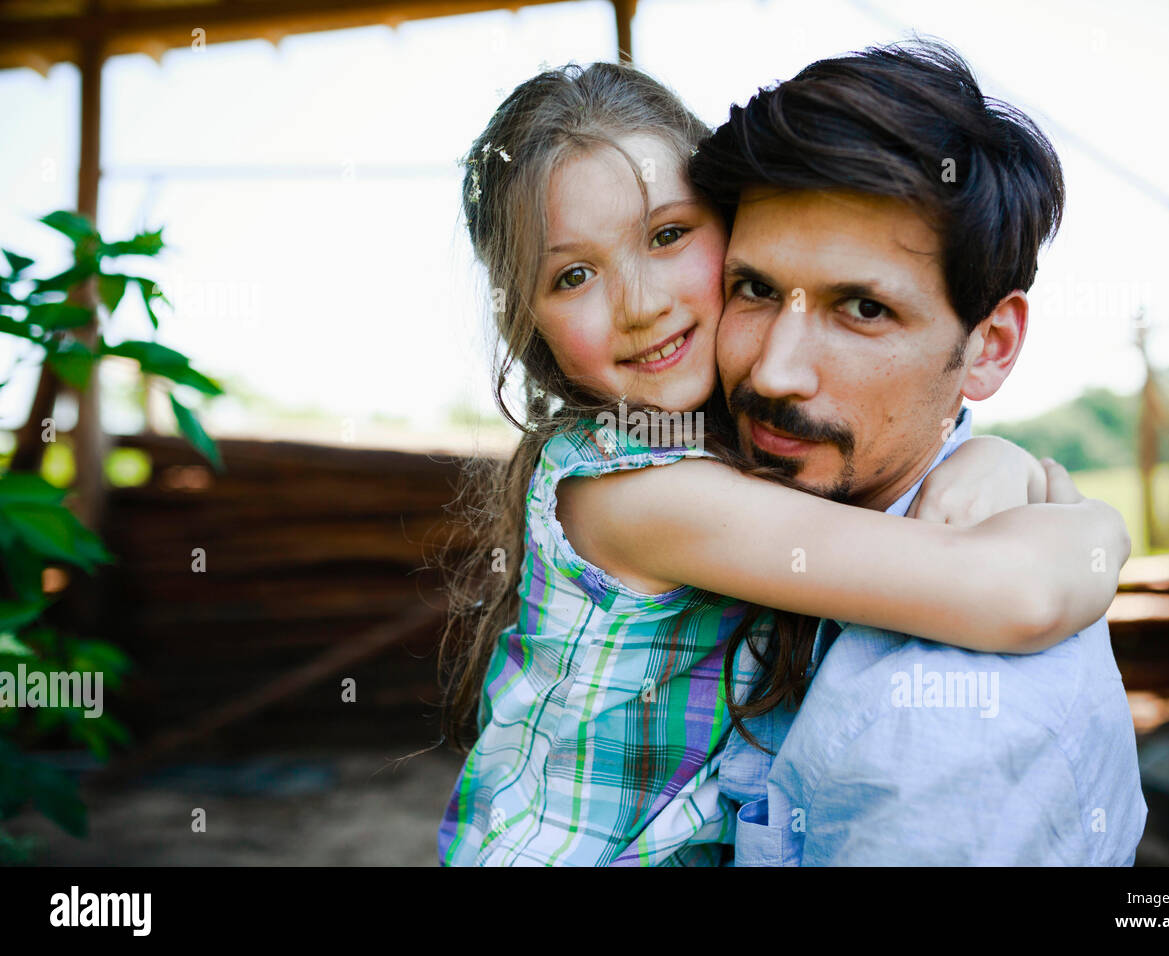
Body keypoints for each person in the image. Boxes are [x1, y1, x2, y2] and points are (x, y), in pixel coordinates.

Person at [436, 60, 1130, 866]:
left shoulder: (718, 437)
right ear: (531, 324)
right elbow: (1020, 589)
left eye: (667, 236)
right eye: (573, 275)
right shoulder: (633, 489)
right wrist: (1097, 528)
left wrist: (991, 457)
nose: (640, 303)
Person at [683, 39, 1148, 865]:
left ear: (989, 347)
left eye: (861, 308)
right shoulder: (727, 482)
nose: (773, 371)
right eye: (754, 289)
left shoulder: (949, 732)